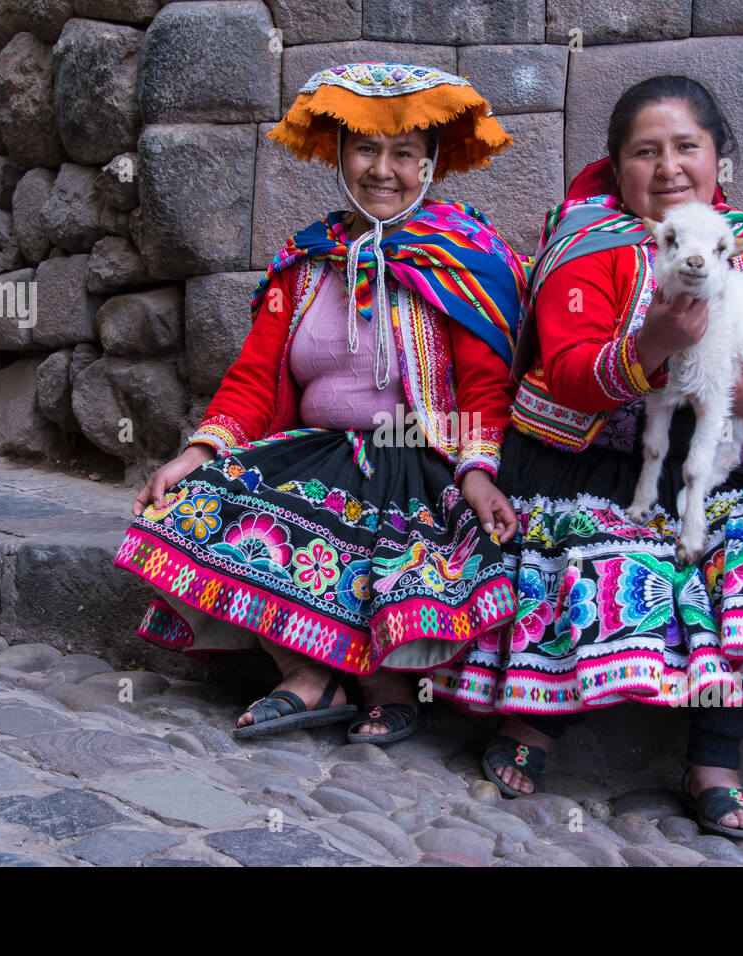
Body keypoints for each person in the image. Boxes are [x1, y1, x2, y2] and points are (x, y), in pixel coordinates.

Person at [430, 75, 743, 838]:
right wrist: (656, 343)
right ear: (616, 166)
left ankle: (716, 760)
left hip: (714, 464)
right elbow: (568, 372)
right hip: (587, 458)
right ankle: (534, 727)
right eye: (645, 152)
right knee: (610, 552)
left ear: (718, 158)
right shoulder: (588, 247)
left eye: (685, 147)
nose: (667, 167)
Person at [114, 63, 527, 744]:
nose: (382, 170)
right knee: (185, 507)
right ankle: (307, 673)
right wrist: (196, 452)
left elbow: (485, 387)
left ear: (431, 165)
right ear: (338, 154)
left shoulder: (464, 258)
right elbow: (252, 377)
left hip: (414, 461)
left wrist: (478, 471)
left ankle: (383, 684)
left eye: (404, 154)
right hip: (312, 453)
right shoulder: (307, 262)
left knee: (386, 552)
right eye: (366, 149)